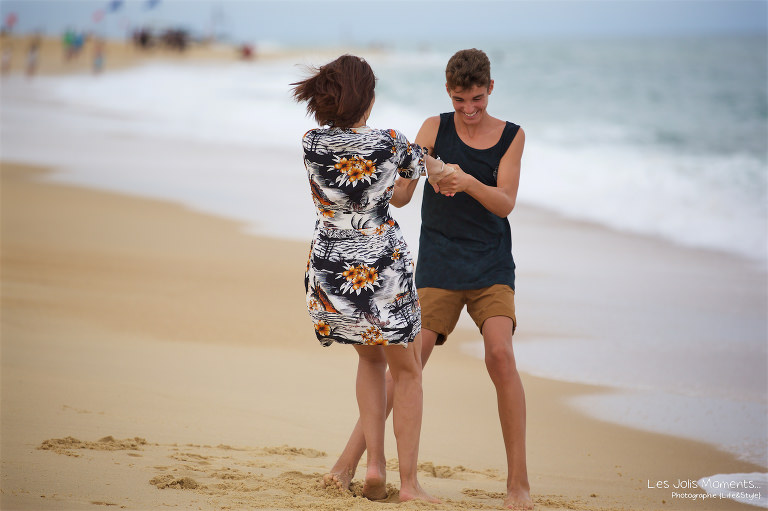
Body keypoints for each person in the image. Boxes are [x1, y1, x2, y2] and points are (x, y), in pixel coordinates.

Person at [326, 48, 533, 510]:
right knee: (408, 363)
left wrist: (466, 181)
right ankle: (346, 466)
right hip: (439, 261)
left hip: (491, 264)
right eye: (460, 100)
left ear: (490, 89)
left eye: (476, 99)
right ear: (449, 93)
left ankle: (518, 484)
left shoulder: (513, 136)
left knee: (500, 356)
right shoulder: (433, 128)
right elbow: (401, 197)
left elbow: (505, 203)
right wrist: (393, 180)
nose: (468, 109)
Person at [291, 54, 453, 504]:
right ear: (368, 98)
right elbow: (404, 194)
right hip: (381, 265)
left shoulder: (311, 143)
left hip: (331, 266)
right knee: (408, 372)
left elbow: (352, 192)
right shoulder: (392, 142)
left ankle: (374, 465)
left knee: (369, 362)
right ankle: (408, 484)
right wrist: (431, 173)